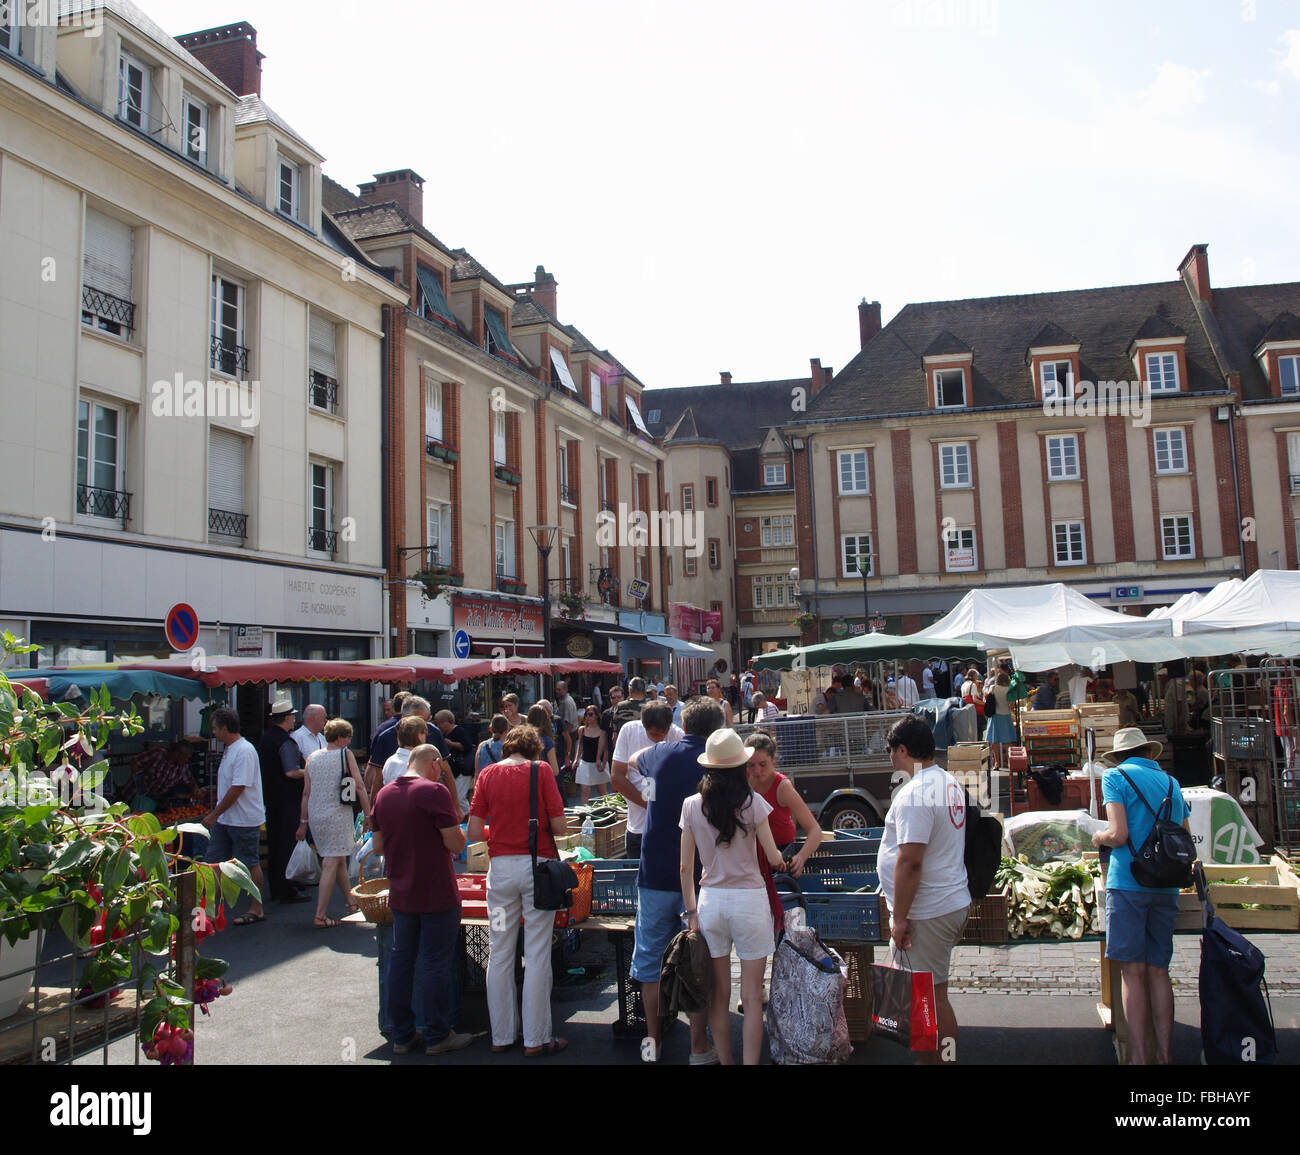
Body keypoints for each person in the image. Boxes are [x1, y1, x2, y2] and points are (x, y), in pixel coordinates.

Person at [679, 728, 787, 1066]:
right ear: (740, 766)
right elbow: (772, 857)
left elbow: (685, 868)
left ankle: (726, 1061)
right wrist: (785, 861)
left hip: (710, 902)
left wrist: (691, 911)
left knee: (718, 995)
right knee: (753, 997)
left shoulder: (692, 806)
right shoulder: (753, 803)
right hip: (751, 901)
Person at [626, 698, 724, 1064]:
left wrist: (651, 791)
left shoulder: (661, 753)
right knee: (697, 961)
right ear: (716, 729)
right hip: (701, 879)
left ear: (682, 722)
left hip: (654, 872)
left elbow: (633, 762)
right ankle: (698, 1046)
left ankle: (652, 1042)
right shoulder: (717, 764)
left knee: (650, 962)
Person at [1091, 728, 1190, 1065]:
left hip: (1129, 883)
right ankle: (1165, 1054)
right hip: (1167, 885)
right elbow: (1185, 838)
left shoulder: (1114, 777)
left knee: (1132, 973)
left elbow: (1119, 835)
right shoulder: (1173, 783)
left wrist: (1098, 836)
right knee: (1159, 972)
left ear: (1119, 756)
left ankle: (1137, 1058)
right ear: (1149, 753)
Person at [468, 724, 569, 1056]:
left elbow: (474, 832)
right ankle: (536, 1038)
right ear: (534, 749)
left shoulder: (487, 775)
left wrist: (498, 826)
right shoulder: (540, 772)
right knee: (538, 953)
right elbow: (558, 826)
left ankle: (501, 1035)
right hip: (535, 869)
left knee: (499, 952)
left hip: (499, 872)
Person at [878, 715, 970, 1065]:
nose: (890, 758)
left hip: (928, 909)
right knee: (931, 996)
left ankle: (937, 1061)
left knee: (927, 999)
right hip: (944, 900)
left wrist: (900, 918)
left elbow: (910, 862)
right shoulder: (946, 782)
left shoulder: (916, 793)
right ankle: (937, 1060)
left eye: (890, 751)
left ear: (902, 750)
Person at [371, 742, 472, 1056]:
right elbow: (456, 843)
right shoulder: (434, 793)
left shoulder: (384, 795)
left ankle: (402, 1035)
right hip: (437, 890)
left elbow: (376, 846)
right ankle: (437, 1034)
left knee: (401, 960)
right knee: (435, 963)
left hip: (402, 891)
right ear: (435, 763)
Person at [298, 718, 370, 928]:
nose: (349, 741)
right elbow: (358, 786)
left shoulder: (311, 757)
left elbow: (305, 792)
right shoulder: (344, 754)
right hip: (338, 812)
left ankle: (351, 903)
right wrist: (368, 814)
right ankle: (320, 915)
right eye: (347, 737)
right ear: (340, 738)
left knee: (337, 857)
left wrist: (303, 821)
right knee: (332, 860)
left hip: (315, 812)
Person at [203, 708, 267, 925]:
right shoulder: (231, 749)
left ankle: (256, 908)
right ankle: (210, 910)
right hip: (226, 819)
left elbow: (238, 787)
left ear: (224, 728)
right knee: (213, 863)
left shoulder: (244, 750)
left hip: (243, 819)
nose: (213, 733)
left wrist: (214, 814)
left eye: (214, 728)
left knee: (248, 863)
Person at [612, 701, 685, 860]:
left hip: (670, 829)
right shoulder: (629, 730)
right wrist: (648, 804)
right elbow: (617, 777)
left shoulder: (678, 735)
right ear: (643, 725)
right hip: (638, 829)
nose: (659, 738)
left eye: (662, 734)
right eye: (653, 734)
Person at [743, 732, 822, 873]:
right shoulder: (744, 778)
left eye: (762, 764)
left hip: (782, 855)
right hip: (752, 855)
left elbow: (815, 830)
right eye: (751, 765)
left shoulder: (783, 787)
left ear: (774, 759)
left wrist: (801, 857)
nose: (757, 771)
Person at [258, 696, 307, 906]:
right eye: (292, 717)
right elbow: (291, 772)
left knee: (276, 843)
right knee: (286, 843)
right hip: (287, 799)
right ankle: (286, 888)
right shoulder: (285, 741)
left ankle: (278, 885)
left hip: (272, 797)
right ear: (287, 718)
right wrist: (310, 771)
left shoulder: (266, 738)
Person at [365, 690, 410, 797]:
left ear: (394, 707)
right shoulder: (423, 729)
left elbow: (373, 762)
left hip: (386, 786)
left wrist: (368, 791)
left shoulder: (382, 729)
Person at [130, 740, 196, 808]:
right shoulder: (158, 754)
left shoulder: (182, 767)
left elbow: (190, 781)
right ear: (178, 753)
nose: (187, 760)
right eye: (186, 758)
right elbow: (134, 761)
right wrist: (140, 786)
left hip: (153, 800)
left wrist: (195, 790)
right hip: (134, 795)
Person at [435, 710, 475, 811]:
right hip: (452, 772)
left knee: (459, 798)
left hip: (462, 770)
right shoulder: (442, 734)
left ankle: (467, 818)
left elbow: (468, 746)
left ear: (446, 722)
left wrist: (451, 744)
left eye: (439, 723)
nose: (438, 726)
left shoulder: (459, 731)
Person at [574, 705, 610, 803]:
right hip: (585, 762)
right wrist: (576, 759)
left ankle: (607, 808)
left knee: (601, 791)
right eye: (586, 714)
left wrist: (604, 763)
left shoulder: (602, 732)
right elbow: (580, 745)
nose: (587, 717)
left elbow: (605, 749)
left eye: (590, 714)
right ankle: (584, 813)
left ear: (597, 716)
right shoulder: (582, 729)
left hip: (599, 763)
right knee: (585, 790)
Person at [526, 704, 562, 793]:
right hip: (542, 783)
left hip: (525, 780)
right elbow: (555, 770)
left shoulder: (522, 739)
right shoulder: (547, 740)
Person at [984, 669, 1016, 771]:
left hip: (995, 716)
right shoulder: (1009, 689)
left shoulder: (993, 688)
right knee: (1007, 742)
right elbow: (1011, 705)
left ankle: (997, 762)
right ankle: (1010, 762)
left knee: (995, 742)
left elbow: (987, 696)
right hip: (1006, 716)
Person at [383, 715, 428, 787]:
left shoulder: (390, 760)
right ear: (415, 734)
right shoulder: (413, 764)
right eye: (423, 732)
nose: (425, 735)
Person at [553, 680, 580, 771]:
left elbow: (568, 723)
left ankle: (570, 781)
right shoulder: (563, 700)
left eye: (559, 690)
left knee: (567, 759)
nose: (557, 691)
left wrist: (565, 739)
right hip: (568, 734)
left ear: (565, 690)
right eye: (556, 689)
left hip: (569, 735)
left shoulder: (566, 702)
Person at [474, 714, 510, 782]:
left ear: (491, 729)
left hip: (484, 786)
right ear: (507, 730)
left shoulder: (482, 745)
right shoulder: (508, 748)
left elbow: (477, 773)